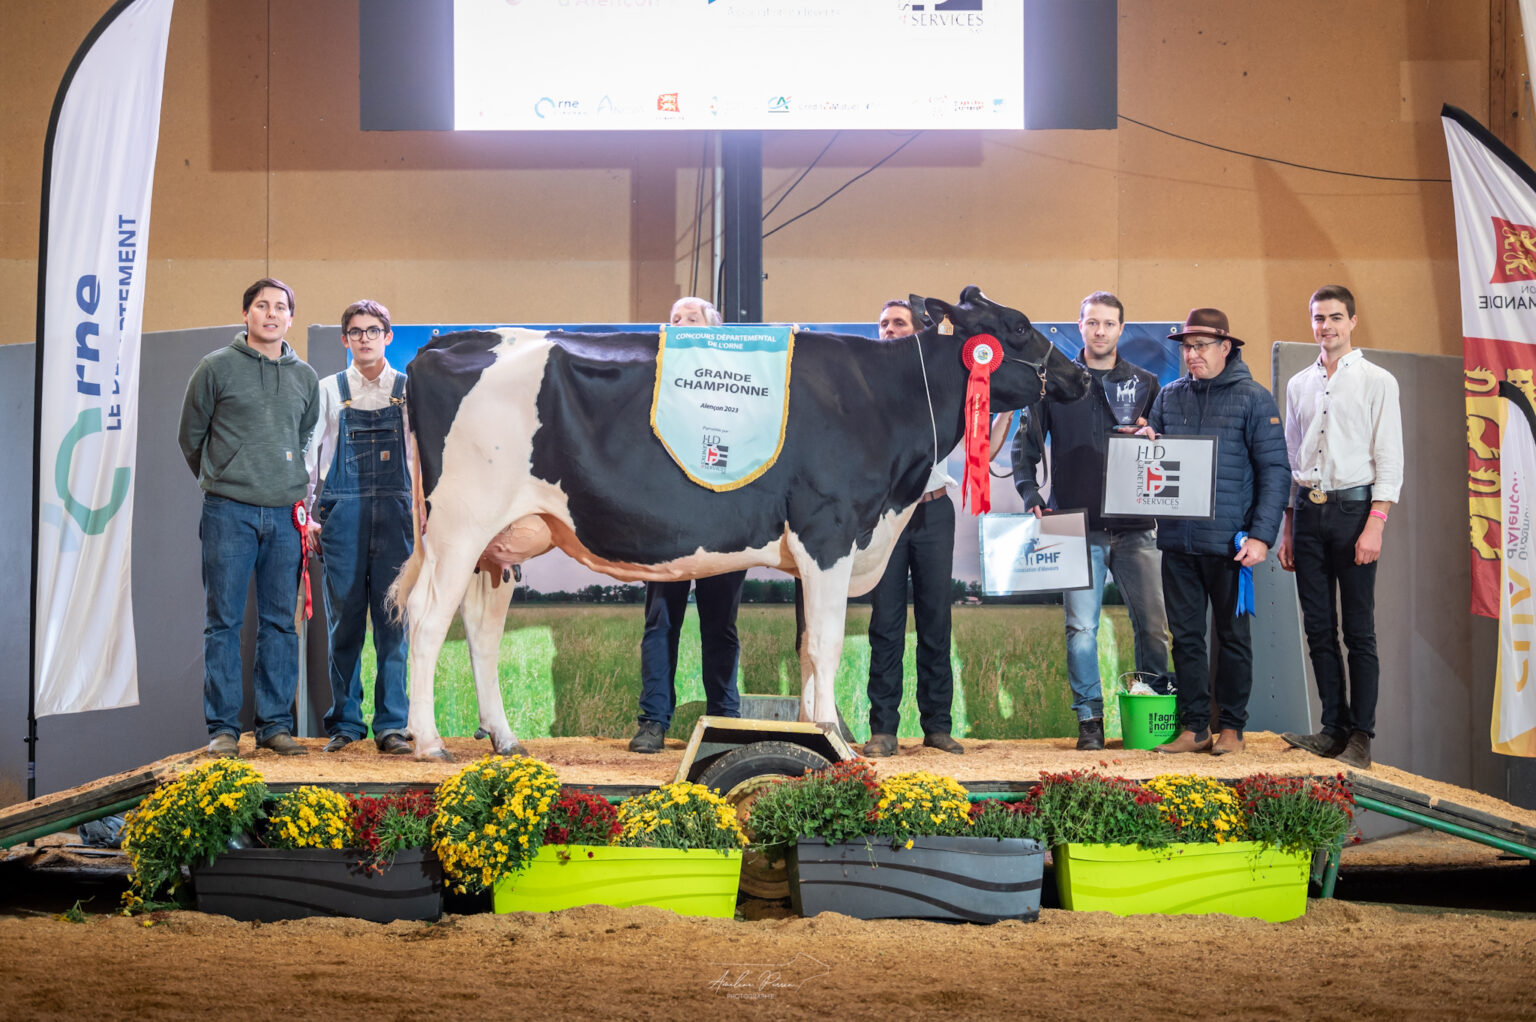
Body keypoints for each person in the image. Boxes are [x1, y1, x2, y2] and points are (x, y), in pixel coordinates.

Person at [1012, 291, 1167, 751]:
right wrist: (1029, 493)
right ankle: (1090, 721)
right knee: (1081, 630)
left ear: (1122, 329)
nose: (1100, 331)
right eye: (1092, 323)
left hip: (1137, 527)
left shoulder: (1146, 383)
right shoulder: (1054, 384)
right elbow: (1025, 446)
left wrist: (1154, 438)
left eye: (1109, 323)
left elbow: (1167, 450)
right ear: (1079, 326)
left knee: (1154, 628)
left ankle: (1151, 718)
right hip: (1074, 526)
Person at [179, 278, 320, 758]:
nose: (271, 313)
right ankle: (223, 729)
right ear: (246, 314)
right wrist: (222, 477)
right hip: (228, 512)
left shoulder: (305, 377)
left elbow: (304, 436)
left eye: (281, 307)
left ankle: (274, 725)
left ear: (290, 318)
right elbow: (190, 436)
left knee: (280, 624)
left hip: (285, 516)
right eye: (262, 305)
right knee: (223, 622)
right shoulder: (215, 367)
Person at [1143, 308, 1290, 757]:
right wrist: (1144, 442)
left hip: (1231, 545)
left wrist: (1261, 536)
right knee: (1186, 638)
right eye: (1187, 347)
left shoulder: (1254, 398)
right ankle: (1194, 728)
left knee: (1232, 638)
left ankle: (1231, 728)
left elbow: (1275, 471)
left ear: (1226, 347)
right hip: (1178, 543)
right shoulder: (1169, 397)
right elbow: (1154, 459)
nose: (1192, 354)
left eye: (1201, 346)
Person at [1277, 285, 1402, 770]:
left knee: (1358, 631)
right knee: (1318, 628)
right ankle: (1332, 728)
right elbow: (1293, 458)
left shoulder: (1377, 381)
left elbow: (1389, 458)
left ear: (1352, 321)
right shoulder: (1299, 385)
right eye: (1318, 318)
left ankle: (1361, 737)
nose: (1325, 326)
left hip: (1355, 513)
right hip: (1308, 512)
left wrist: (1376, 525)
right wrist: (1289, 525)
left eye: (1334, 317)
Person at [629, 297, 748, 754]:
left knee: (721, 626)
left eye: (690, 318)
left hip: (722, 519)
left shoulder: (740, 385)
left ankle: (724, 721)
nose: (679, 324)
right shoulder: (656, 383)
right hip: (669, 521)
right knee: (660, 622)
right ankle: (653, 722)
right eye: (674, 319)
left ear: (713, 329)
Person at [303, 300, 414, 756]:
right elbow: (309, 453)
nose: (364, 338)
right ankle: (346, 724)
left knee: (394, 624)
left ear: (388, 336)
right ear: (344, 339)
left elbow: (420, 459)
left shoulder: (408, 390)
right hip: (342, 519)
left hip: (398, 517)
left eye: (372, 330)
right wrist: (307, 512)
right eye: (355, 331)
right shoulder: (329, 390)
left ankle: (392, 726)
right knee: (343, 625)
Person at [864, 299, 963, 757]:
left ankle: (937, 727)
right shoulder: (866, 385)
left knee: (935, 621)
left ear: (918, 330)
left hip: (933, 511)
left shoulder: (937, 381)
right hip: (887, 514)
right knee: (885, 623)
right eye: (883, 324)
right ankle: (883, 729)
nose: (889, 330)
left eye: (898, 323)